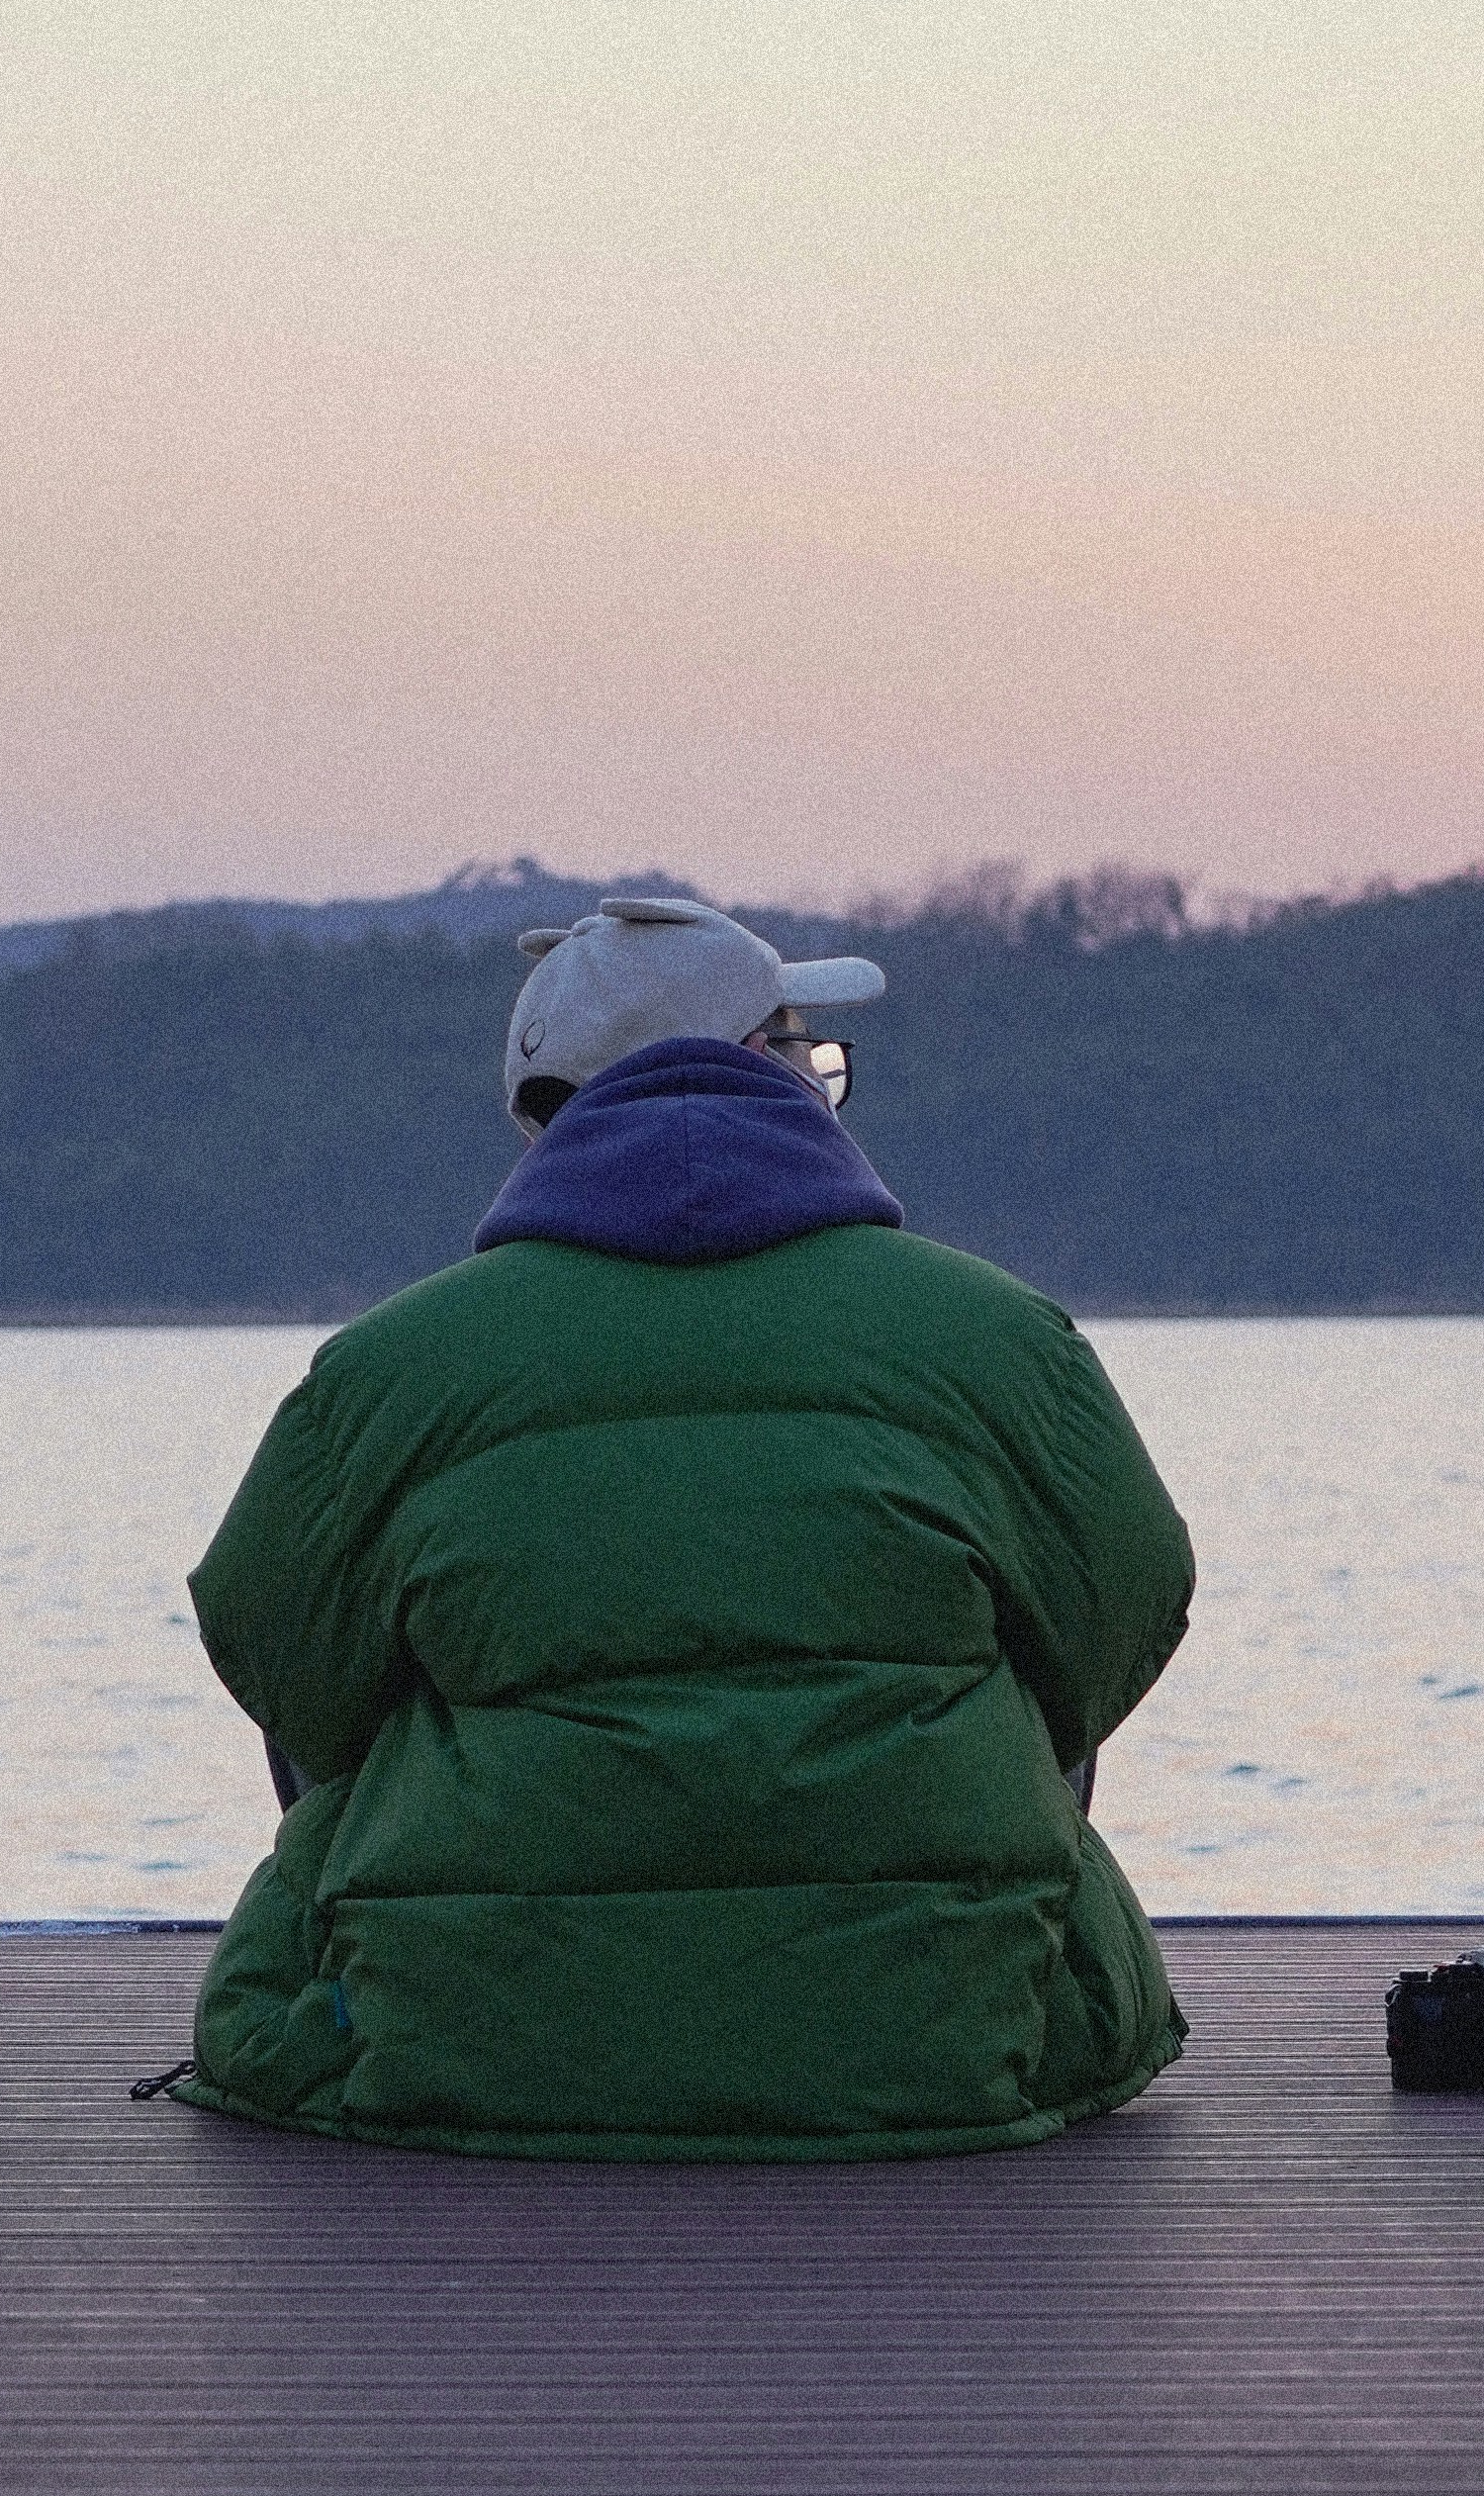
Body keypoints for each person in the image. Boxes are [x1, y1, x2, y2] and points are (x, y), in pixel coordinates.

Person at [176, 893, 1193, 2159]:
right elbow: (1124, 1615)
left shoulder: (382, 1375)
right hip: (966, 2046)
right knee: (1019, 1653)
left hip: (453, 2048)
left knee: (357, 1657)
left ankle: (434, 1969)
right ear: (768, 1064)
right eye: (817, 1054)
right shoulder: (1000, 1339)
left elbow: (282, 1662)